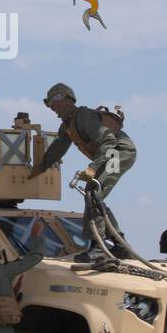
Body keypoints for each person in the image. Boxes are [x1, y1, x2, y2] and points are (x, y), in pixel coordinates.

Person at [31, 83, 136, 249]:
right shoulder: (67, 125)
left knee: (94, 192)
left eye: (55, 100)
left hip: (117, 153)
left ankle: (98, 247)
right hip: (109, 155)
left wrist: (92, 168)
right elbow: (57, 149)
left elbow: (108, 141)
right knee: (93, 193)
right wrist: (37, 169)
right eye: (49, 103)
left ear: (67, 99)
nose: (52, 107)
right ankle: (119, 244)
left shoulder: (83, 116)